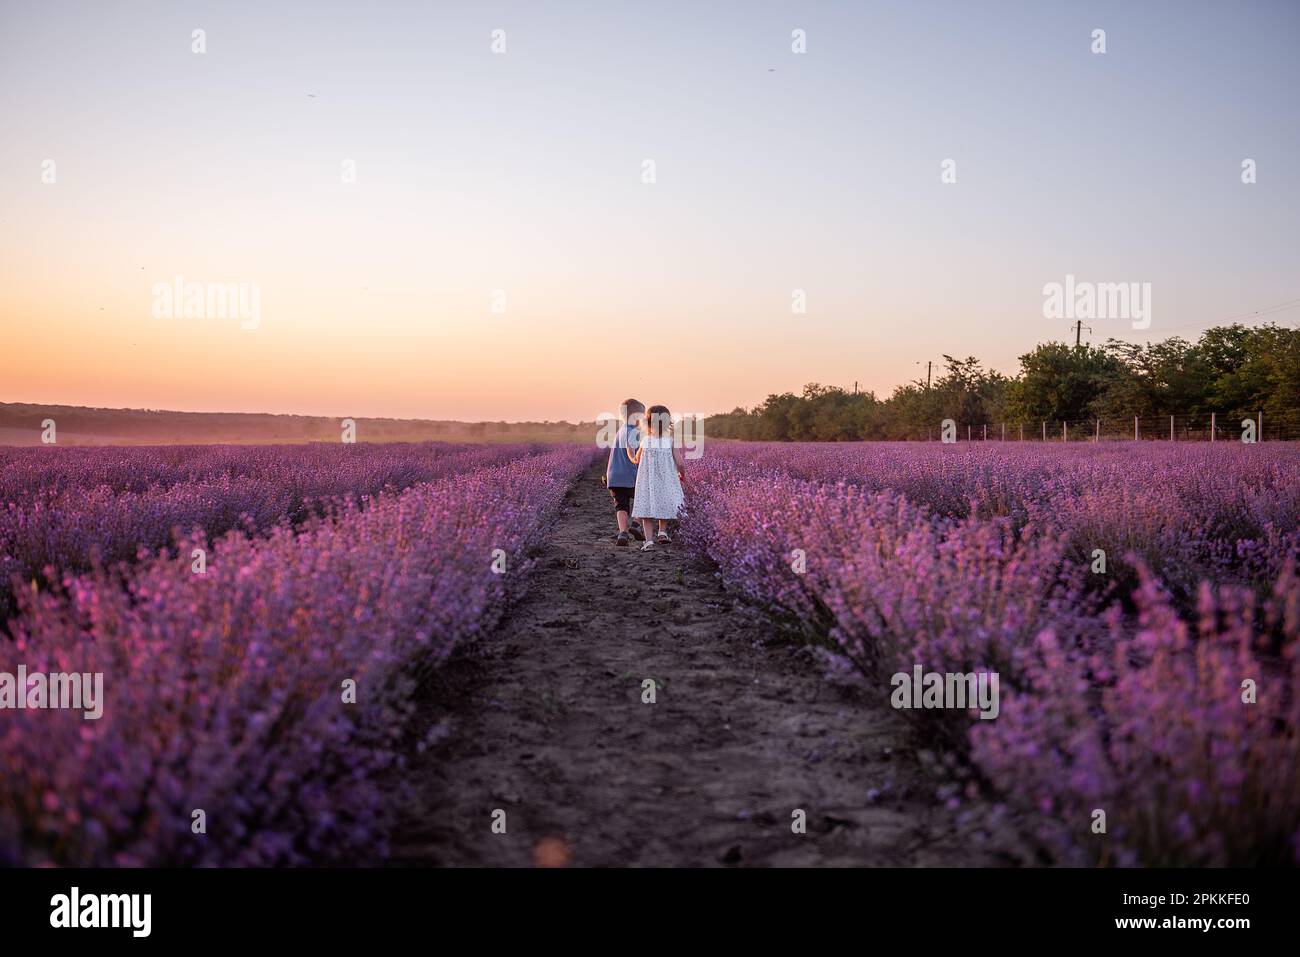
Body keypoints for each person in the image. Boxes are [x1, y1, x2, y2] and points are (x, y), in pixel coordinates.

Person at [629, 404, 686, 551]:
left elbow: (636, 460)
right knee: (665, 502)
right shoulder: (671, 441)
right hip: (666, 479)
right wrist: (682, 474)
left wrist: (629, 452)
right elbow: (680, 463)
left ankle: (648, 541)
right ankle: (662, 532)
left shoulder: (645, 441)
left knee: (646, 510)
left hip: (647, 482)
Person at [606, 398, 645, 546]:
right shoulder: (634, 432)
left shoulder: (621, 430)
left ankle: (623, 533)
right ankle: (635, 524)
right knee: (644, 498)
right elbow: (635, 456)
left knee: (621, 506)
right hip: (631, 475)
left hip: (614, 476)